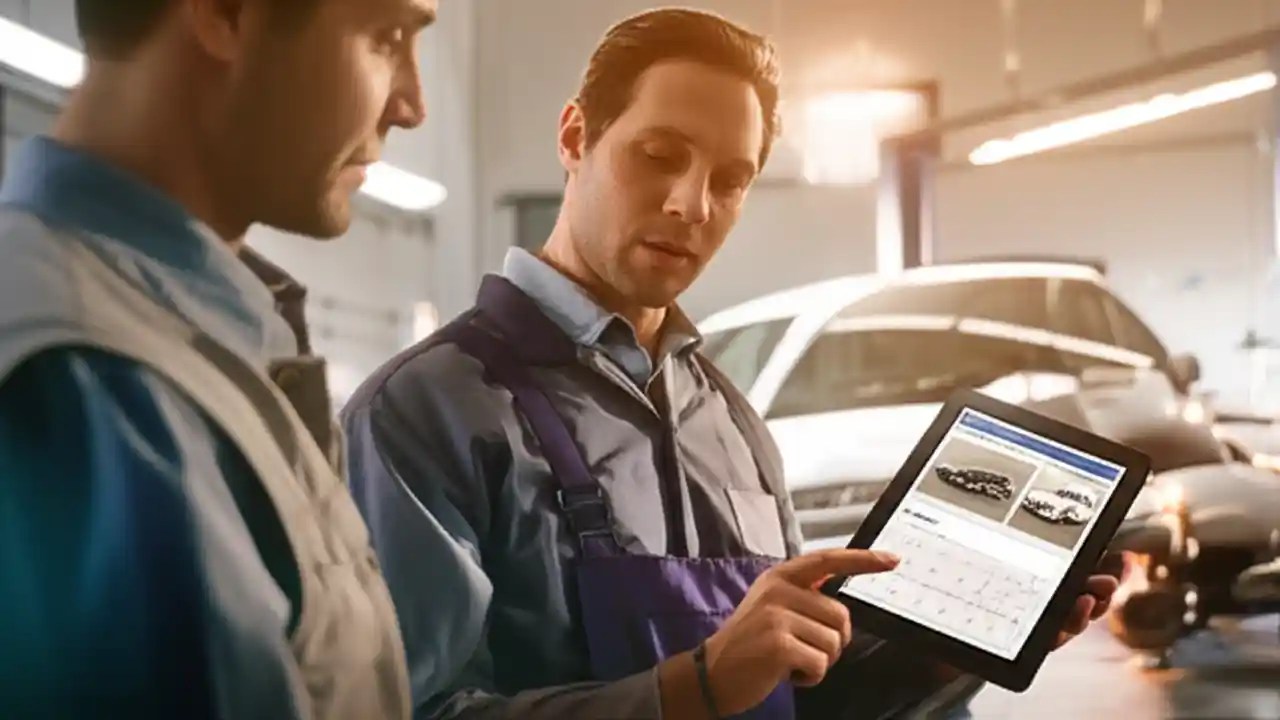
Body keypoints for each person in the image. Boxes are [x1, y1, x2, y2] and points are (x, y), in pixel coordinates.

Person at [341, 7, 1119, 719]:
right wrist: (697, 686)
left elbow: (795, 703)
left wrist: (954, 652)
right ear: (576, 136)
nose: (693, 204)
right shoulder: (422, 413)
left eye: (731, 179)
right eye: (659, 155)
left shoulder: (732, 425)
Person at [0, 0, 435, 717]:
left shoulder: (200, 334)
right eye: (387, 37)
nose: (413, 105)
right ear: (225, 12)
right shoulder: (91, 387)